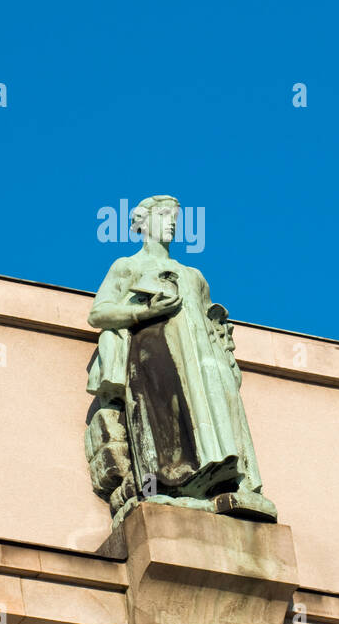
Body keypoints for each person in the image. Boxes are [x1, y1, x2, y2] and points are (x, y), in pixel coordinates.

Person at [85, 195, 273, 520]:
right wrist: (144, 310)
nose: (171, 222)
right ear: (143, 222)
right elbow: (98, 313)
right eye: (163, 215)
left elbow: (212, 321)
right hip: (154, 352)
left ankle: (226, 480)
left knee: (215, 405)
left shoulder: (194, 275)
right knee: (163, 419)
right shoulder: (127, 266)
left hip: (200, 358)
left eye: (174, 217)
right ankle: (169, 484)